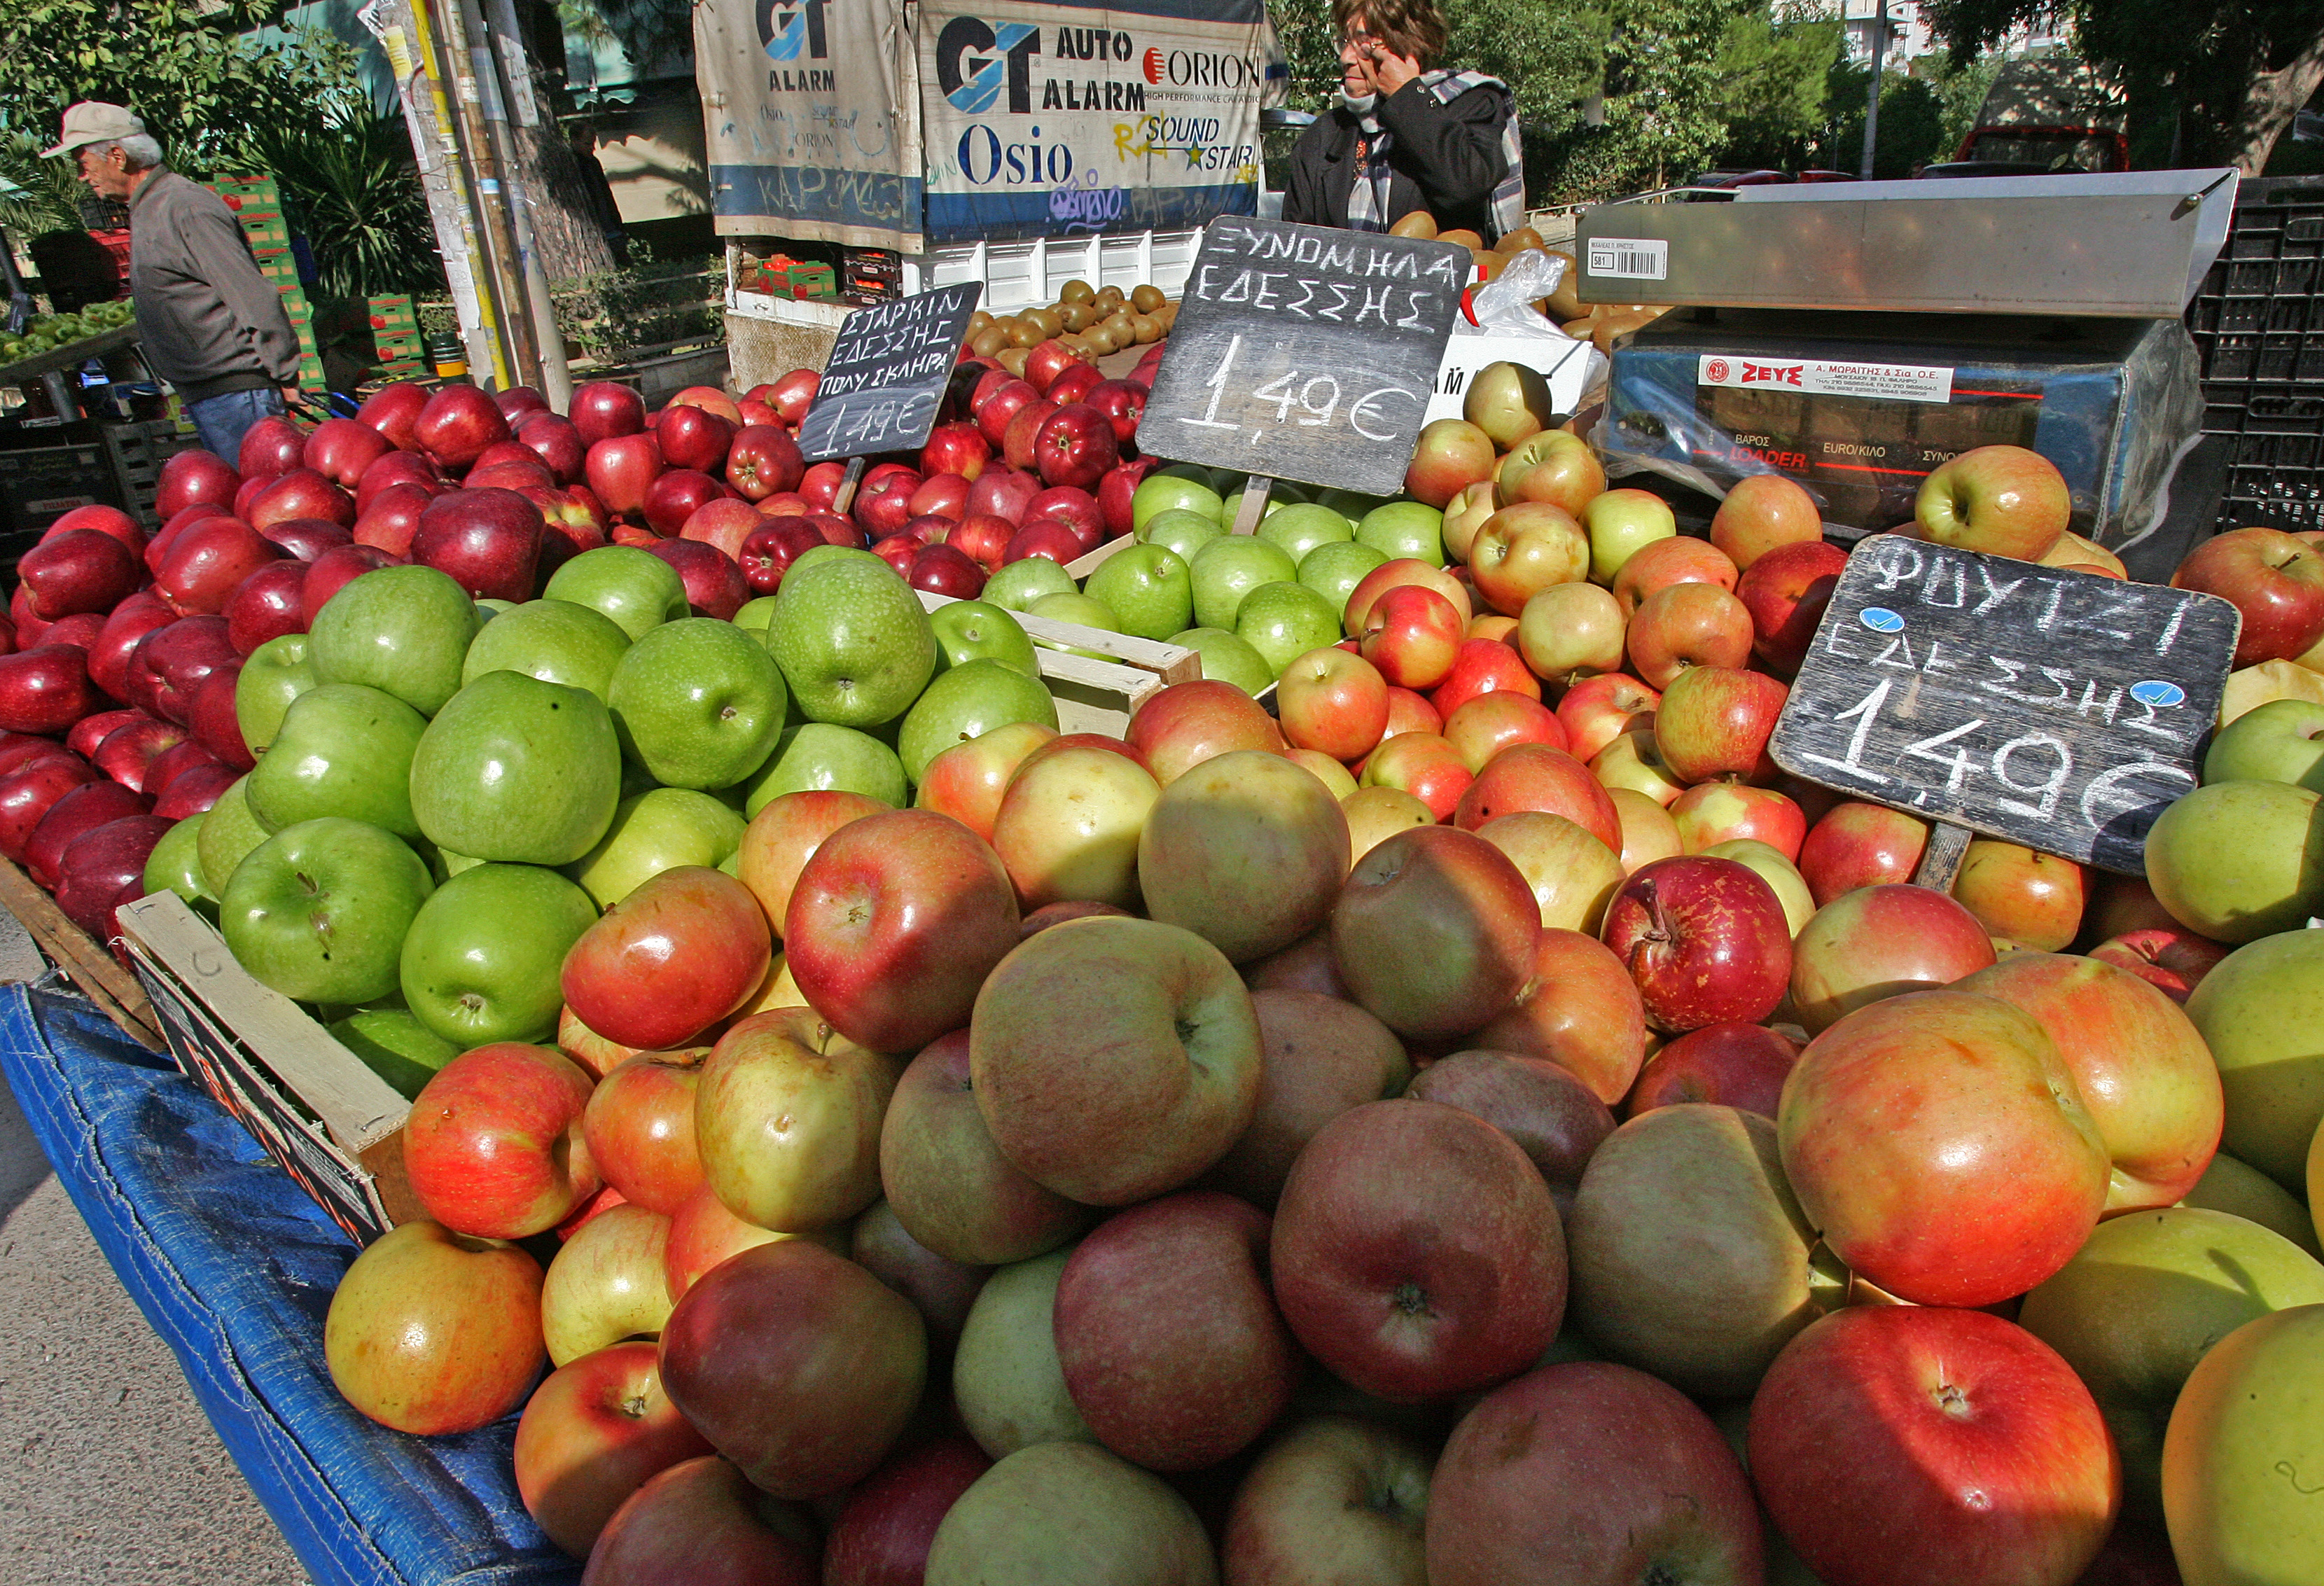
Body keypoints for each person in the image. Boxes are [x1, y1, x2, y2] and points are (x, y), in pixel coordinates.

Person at [44, 102, 302, 462]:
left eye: (83, 164)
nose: (82, 177)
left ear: (117, 156)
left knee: (262, 489)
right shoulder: (150, 207)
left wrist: (285, 372)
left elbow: (250, 293)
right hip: (215, 394)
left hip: (236, 394)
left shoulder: (184, 206)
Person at [1281, 0, 1524, 241]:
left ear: (1410, 45)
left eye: (1365, 43)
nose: (1346, 58)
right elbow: (1294, 242)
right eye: (1345, 42)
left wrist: (1407, 95)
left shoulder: (1472, 105)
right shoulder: (1326, 132)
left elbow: (1466, 186)